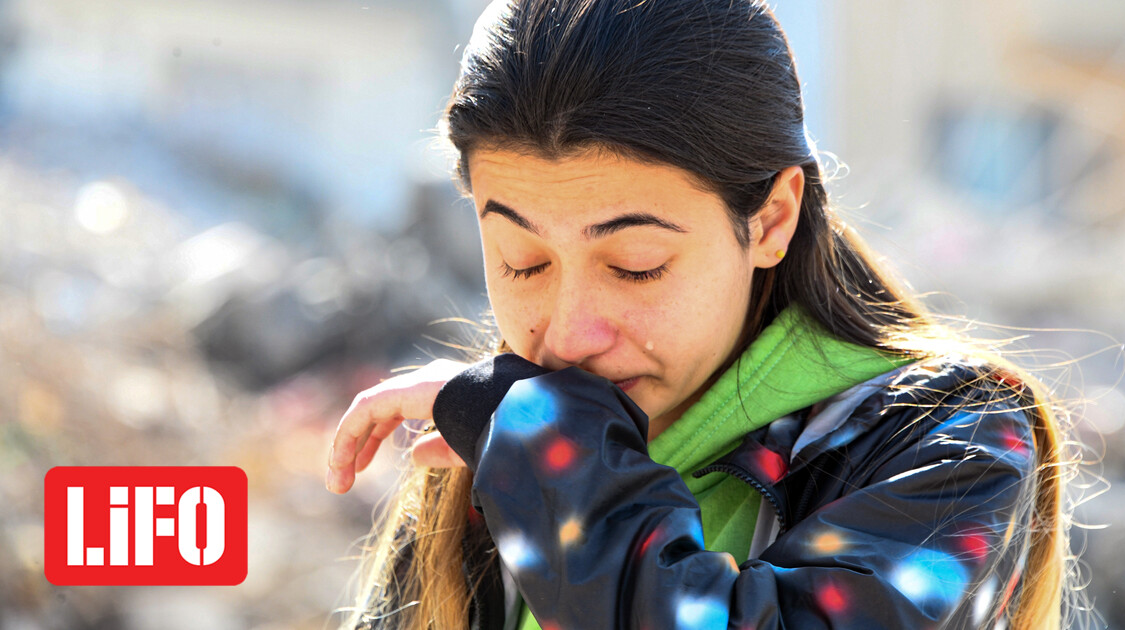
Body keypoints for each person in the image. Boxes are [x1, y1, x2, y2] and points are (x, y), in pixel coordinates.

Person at [326, 0, 1076, 628]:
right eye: (521, 261)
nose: (568, 333)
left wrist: (553, 465)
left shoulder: (946, 439)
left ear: (772, 219)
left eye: (636, 265)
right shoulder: (500, 446)